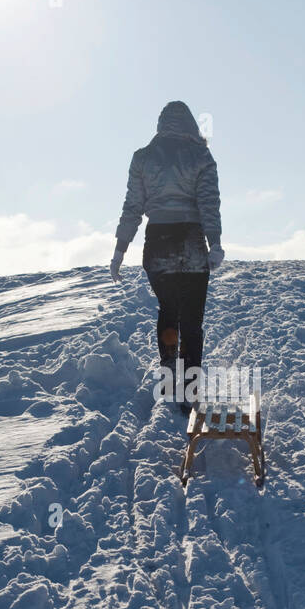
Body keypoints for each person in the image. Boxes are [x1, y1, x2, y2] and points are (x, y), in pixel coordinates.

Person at [110, 101, 224, 410]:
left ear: (161, 124)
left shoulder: (142, 158)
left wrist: (120, 250)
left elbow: (132, 207)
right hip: (191, 240)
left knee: (167, 308)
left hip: (157, 241)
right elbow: (209, 204)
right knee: (192, 321)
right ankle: (190, 392)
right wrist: (214, 243)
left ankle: (170, 370)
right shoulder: (201, 156)